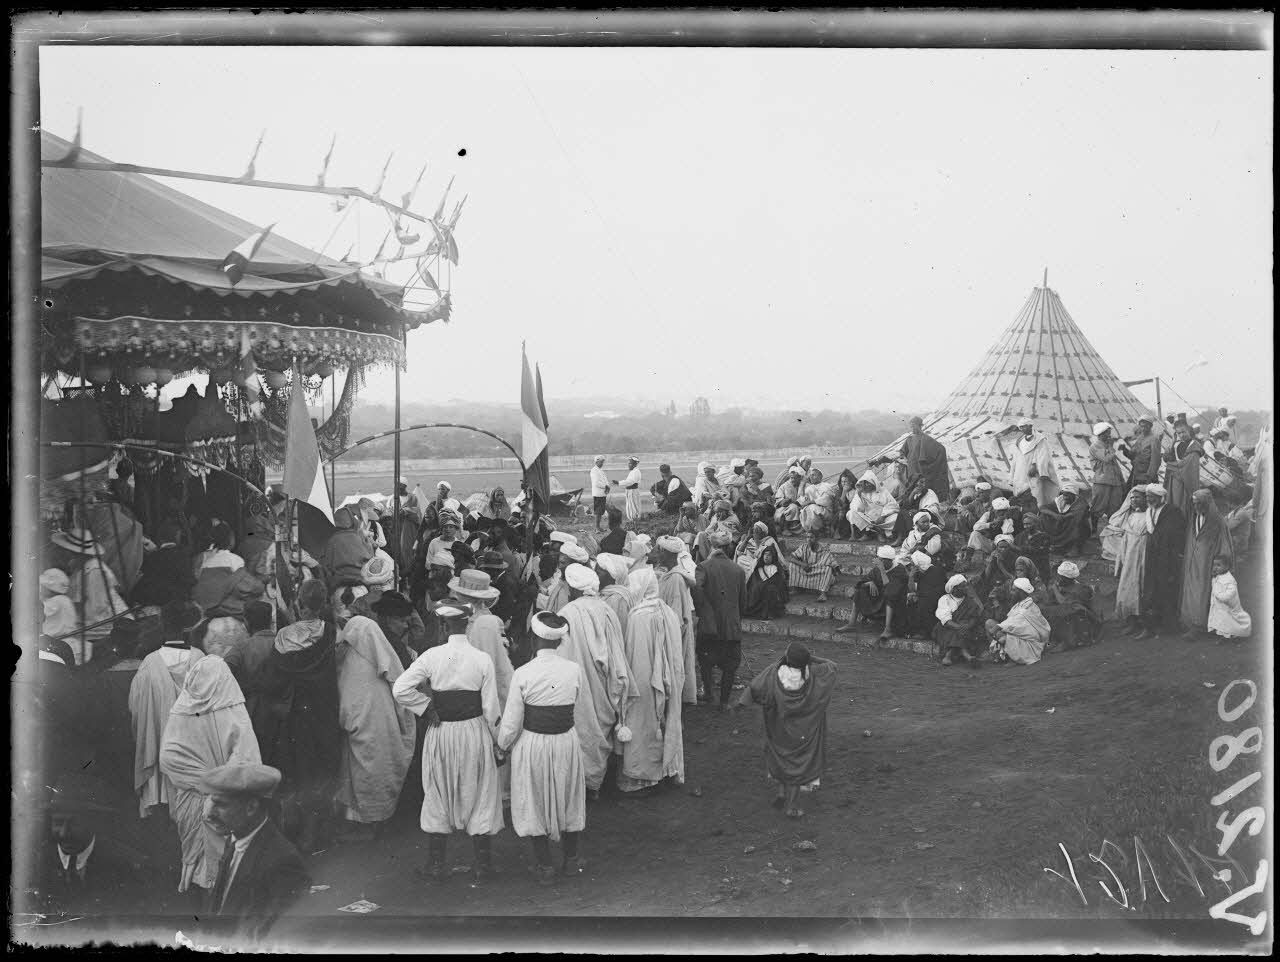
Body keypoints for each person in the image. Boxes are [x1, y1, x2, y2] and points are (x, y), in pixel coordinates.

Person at [392, 600, 504, 883]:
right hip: (474, 731)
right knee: (480, 790)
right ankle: (483, 865)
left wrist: (426, 707)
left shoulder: (432, 656)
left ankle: (435, 864)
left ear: (443, 626)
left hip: (441, 732)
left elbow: (400, 688)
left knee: (437, 789)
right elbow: (491, 710)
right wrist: (497, 743)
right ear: (467, 624)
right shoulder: (482, 659)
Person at [496, 611, 601, 882]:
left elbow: (511, 722)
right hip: (565, 741)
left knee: (535, 798)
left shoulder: (523, 673)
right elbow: (582, 710)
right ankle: (571, 859)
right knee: (569, 795)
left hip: (533, 744)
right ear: (559, 641)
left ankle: (544, 866)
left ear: (533, 640)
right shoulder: (573, 670)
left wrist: (503, 746)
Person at [158, 656, 261, 897]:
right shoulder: (233, 709)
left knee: (200, 871)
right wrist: (220, 783)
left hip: (191, 802)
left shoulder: (181, 711)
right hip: (227, 802)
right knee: (225, 869)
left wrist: (202, 780)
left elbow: (168, 759)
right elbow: (249, 759)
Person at [252, 579, 341, 854]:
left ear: (299, 605)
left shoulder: (284, 637)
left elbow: (274, 680)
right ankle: (315, 832)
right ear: (323, 603)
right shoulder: (331, 633)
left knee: (296, 769)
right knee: (320, 769)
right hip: (323, 709)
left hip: (294, 713)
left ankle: (296, 830)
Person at [332, 605, 416, 842]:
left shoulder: (352, 658)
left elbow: (348, 695)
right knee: (373, 774)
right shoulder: (379, 657)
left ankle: (368, 827)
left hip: (362, 727)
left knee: (364, 776)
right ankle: (375, 822)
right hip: (380, 725)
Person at [201, 762, 309, 941]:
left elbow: (277, 936)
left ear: (251, 807)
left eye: (220, 805)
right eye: (210, 803)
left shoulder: (283, 861)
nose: (209, 814)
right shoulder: (235, 838)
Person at [557, 565, 636, 799]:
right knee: (598, 727)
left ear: (574, 588)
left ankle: (581, 785)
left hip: (577, 684)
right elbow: (615, 651)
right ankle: (594, 784)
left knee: (581, 727)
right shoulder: (606, 610)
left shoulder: (567, 613)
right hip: (604, 681)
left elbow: (562, 653)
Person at [733, 643, 836, 818]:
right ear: (805, 662)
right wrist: (811, 659)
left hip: (779, 727)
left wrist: (740, 704)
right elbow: (832, 666)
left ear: (787, 659)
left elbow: (755, 688)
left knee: (781, 757)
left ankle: (781, 793)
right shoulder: (814, 674)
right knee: (798, 764)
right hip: (803, 730)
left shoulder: (775, 672)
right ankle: (792, 806)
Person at [128, 600, 205, 819]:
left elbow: (136, 708)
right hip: (192, 749)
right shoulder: (199, 658)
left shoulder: (150, 663)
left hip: (159, 747)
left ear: (162, 625)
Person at [617, 567, 685, 794]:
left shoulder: (638, 616)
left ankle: (643, 777)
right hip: (668, 677)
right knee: (666, 717)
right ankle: (667, 768)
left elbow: (633, 654)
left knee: (643, 722)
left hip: (643, 678)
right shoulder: (667, 611)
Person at [51, 526, 133, 665]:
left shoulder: (95, 572)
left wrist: (69, 622)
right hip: (90, 622)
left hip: (106, 626)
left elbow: (96, 609)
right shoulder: (80, 567)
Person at [693, 530, 747, 709]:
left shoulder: (703, 566)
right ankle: (724, 701)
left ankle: (708, 694)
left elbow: (697, 590)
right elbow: (743, 602)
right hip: (731, 625)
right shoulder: (738, 570)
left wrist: (704, 611)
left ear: (711, 546)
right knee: (730, 665)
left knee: (706, 661)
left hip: (710, 625)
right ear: (729, 546)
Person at [1133, 483, 1186, 640]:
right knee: (1149, 590)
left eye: (1152, 497)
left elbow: (1177, 536)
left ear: (1160, 497)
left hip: (1168, 557)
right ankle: (1149, 626)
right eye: (1148, 496)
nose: (1149, 499)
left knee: (1166, 590)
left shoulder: (1173, 512)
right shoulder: (1149, 511)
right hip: (1152, 556)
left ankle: (1167, 626)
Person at [1179, 489, 1234, 638]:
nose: (1196, 507)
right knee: (1191, 591)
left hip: (1207, 564)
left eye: (1199, 504)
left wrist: (1220, 563)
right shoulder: (1194, 518)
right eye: (1194, 504)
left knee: (1203, 592)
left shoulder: (1217, 522)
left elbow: (1225, 544)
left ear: (1207, 504)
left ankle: (1199, 626)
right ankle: (1190, 621)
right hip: (1192, 563)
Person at [654, 535, 699, 705]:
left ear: (666, 553)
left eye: (660, 551)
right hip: (669, 633)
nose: (657, 555)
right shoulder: (670, 575)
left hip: (672, 636)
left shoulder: (676, 579)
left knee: (673, 673)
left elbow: (676, 617)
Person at [871, 416, 951, 501]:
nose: (912, 428)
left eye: (913, 426)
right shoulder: (909, 439)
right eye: (911, 426)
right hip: (911, 469)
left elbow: (941, 449)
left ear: (919, 425)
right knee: (911, 489)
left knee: (921, 489)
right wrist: (882, 459)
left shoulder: (926, 439)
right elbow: (901, 453)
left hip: (921, 470)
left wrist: (931, 463)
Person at [1110, 488, 1150, 634]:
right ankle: (1130, 620)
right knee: (1127, 589)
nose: (1134, 501)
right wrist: (1120, 559)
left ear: (1146, 499)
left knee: (1141, 588)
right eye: (1132, 498)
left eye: (1138, 498)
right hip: (1129, 558)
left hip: (1142, 555)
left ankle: (1142, 622)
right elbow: (1125, 540)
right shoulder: (1131, 516)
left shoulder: (1150, 516)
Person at [985, 579, 1051, 665]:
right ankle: (1000, 656)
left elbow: (1018, 623)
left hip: (1032, 643)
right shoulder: (1018, 604)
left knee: (1003, 634)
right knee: (989, 623)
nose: (1011, 592)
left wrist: (998, 627)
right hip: (1022, 636)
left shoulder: (1028, 606)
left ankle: (1014, 659)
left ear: (1021, 592)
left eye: (1013, 590)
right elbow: (1012, 622)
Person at [1039, 561, 1100, 650]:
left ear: (1067, 578)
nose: (1058, 579)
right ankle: (1054, 639)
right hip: (1067, 615)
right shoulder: (1062, 586)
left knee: (1070, 611)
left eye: (1060, 577)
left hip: (1084, 621)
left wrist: (1055, 590)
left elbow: (1066, 604)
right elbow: (1050, 603)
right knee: (1044, 610)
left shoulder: (1082, 589)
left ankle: (1067, 642)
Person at [837, 544, 898, 633]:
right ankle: (851, 624)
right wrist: (870, 583)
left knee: (889, 596)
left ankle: (887, 629)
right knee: (859, 591)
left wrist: (881, 569)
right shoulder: (878, 568)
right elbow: (862, 581)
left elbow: (890, 588)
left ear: (889, 561)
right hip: (876, 595)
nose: (878, 561)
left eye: (881, 560)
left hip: (889, 598)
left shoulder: (898, 569)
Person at [933, 574, 984, 666]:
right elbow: (946, 620)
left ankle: (948, 656)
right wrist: (960, 627)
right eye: (963, 586)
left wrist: (968, 626)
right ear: (955, 588)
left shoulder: (970, 600)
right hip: (946, 628)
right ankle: (966, 655)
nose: (967, 588)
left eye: (966, 585)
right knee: (957, 630)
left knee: (963, 627)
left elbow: (974, 617)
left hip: (966, 628)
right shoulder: (945, 599)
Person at [320, 506, 374, 591]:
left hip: (338, 584)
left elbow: (326, 564)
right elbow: (370, 558)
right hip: (360, 583)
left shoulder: (332, 540)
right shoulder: (359, 537)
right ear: (352, 520)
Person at [1009, 418, 1060, 508]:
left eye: (1024, 427)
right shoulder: (1020, 441)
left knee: (1036, 493)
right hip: (1020, 471)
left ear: (1030, 426)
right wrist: (1011, 477)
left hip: (1034, 471)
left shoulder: (1040, 439)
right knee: (1021, 492)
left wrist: (1036, 466)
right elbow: (1015, 458)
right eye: (1021, 427)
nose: (1022, 429)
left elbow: (1043, 455)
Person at [1089, 422, 1129, 529]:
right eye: (1107, 433)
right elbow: (1106, 458)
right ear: (1101, 434)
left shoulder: (1106, 445)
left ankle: (1112, 530)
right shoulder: (1095, 445)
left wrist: (1121, 479)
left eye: (1109, 433)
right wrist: (1112, 447)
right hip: (1102, 481)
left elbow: (1114, 464)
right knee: (1098, 506)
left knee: (1114, 506)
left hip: (1114, 481)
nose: (1109, 436)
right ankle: (1093, 530)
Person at [845, 470, 900, 542]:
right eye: (865, 483)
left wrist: (883, 516)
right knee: (850, 513)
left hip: (882, 518)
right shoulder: (861, 493)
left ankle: (881, 532)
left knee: (895, 517)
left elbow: (893, 505)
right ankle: (868, 534)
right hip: (868, 518)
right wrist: (858, 495)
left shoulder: (883, 491)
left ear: (874, 482)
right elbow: (856, 508)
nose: (866, 485)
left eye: (868, 483)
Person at [1038, 485, 1091, 558]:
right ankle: (1052, 545)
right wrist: (1054, 515)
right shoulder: (1060, 500)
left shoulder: (1081, 502)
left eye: (1067, 496)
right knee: (1043, 517)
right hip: (1061, 523)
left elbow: (1077, 513)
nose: (1065, 498)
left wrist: (1063, 517)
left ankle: (1074, 548)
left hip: (1076, 526)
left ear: (1073, 495)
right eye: (1064, 495)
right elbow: (1042, 508)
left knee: (1076, 520)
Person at [1164, 422, 1203, 519]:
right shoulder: (1177, 444)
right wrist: (1173, 442)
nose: (1182, 435)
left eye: (1184, 432)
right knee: (1175, 501)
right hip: (1176, 478)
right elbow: (1166, 457)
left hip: (1187, 479)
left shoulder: (1194, 446)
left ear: (1189, 431)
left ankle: (1185, 521)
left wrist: (1170, 466)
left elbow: (1187, 465)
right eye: (1179, 433)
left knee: (1184, 501)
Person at [904, 550, 947, 639]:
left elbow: (936, 591)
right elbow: (912, 589)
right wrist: (911, 577)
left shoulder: (936, 571)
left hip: (936, 599)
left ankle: (925, 633)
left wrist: (918, 595)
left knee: (923, 605)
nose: (912, 567)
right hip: (925, 597)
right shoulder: (920, 572)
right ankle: (912, 631)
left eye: (913, 564)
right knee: (909, 601)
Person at [786, 529, 837, 603]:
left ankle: (823, 594)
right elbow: (790, 558)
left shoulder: (823, 550)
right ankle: (795, 588)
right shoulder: (803, 547)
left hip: (817, 571)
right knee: (792, 565)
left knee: (827, 569)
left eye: (811, 537)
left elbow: (830, 563)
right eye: (807, 537)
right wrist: (802, 564)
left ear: (817, 539)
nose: (809, 539)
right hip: (806, 570)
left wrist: (816, 567)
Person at [1207, 556, 1251, 639]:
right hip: (1219, 605)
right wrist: (1214, 578)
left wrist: (1220, 596)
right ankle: (1223, 634)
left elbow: (1231, 593)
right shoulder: (1217, 577)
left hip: (1227, 605)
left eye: (1218, 565)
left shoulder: (1230, 580)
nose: (1215, 567)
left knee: (1229, 620)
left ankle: (1233, 634)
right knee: (1221, 620)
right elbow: (1215, 586)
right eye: (1214, 565)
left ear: (1226, 567)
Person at [594, 553, 634, 636]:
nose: (594, 575)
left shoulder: (617, 599)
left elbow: (618, 632)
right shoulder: (604, 593)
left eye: (598, 573)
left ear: (612, 577)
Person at [41, 567, 79, 641]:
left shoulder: (56, 601)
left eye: (43, 587)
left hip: (57, 640)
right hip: (67, 639)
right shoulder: (65, 600)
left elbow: (39, 613)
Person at [1127, 416, 1163, 490]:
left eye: (1145, 426)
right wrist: (1125, 450)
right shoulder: (1140, 438)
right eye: (1141, 426)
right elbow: (1133, 453)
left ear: (1150, 426)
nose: (1143, 428)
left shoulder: (1154, 439)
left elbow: (1155, 460)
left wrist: (1150, 476)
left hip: (1147, 476)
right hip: (1137, 474)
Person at [773, 465, 807, 535]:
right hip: (784, 508)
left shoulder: (805, 486)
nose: (792, 480)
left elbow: (804, 498)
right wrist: (784, 501)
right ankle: (786, 529)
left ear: (800, 478)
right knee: (793, 507)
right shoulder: (784, 486)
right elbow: (779, 499)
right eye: (791, 478)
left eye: (795, 478)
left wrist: (801, 487)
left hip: (801, 507)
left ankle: (799, 530)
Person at [589, 456, 613, 532]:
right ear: (596, 462)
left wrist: (607, 486)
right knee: (598, 511)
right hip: (598, 494)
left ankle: (598, 527)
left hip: (602, 493)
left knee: (601, 511)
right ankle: (597, 528)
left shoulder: (600, 470)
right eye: (601, 462)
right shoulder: (594, 470)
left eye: (603, 462)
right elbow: (596, 483)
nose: (602, 463)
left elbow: (605, 480)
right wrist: (605, 486)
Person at [621, 457, 643, 525]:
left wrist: (618, 483)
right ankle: (633, 521)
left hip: (632, 491)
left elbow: (630, 482)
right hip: (630, 491)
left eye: (630, 463)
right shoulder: (633, 471)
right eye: (628, 463)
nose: (628, 465)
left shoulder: (636, 472)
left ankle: (635, 522)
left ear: (635, 464)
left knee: (634, 506)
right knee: (631, 506)